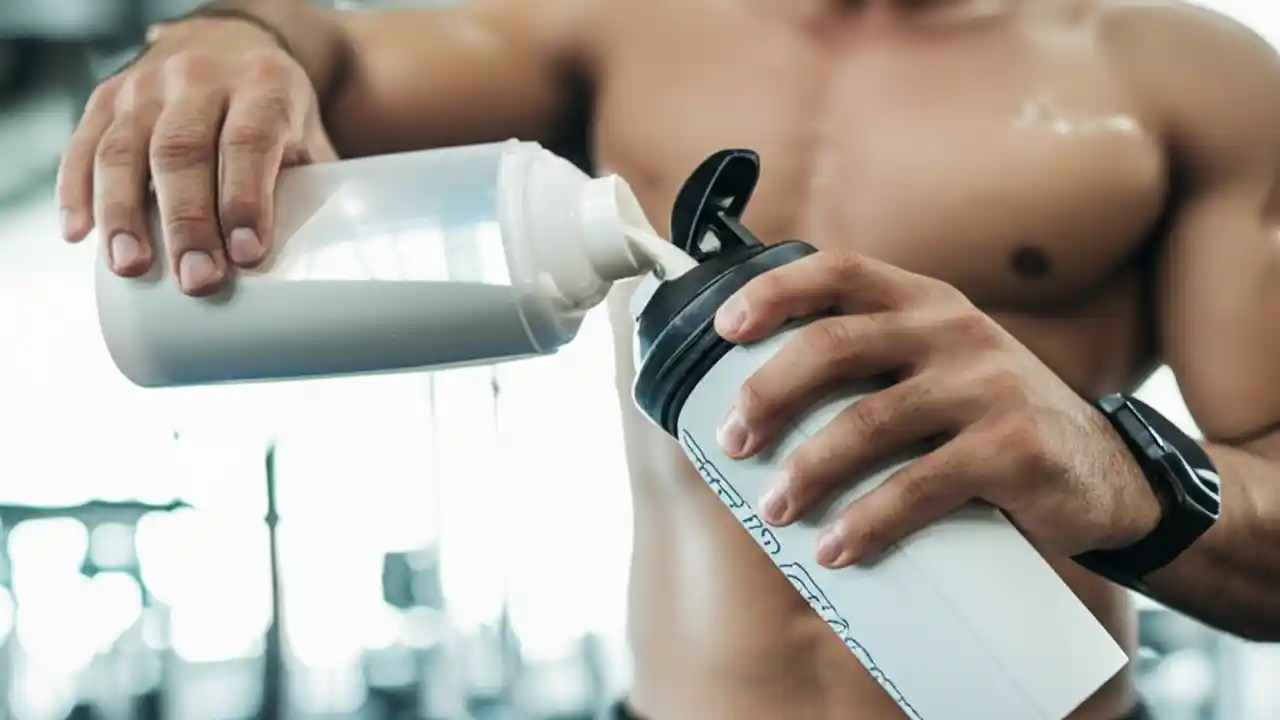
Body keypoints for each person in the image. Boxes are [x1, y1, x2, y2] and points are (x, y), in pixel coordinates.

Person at [57, 1, 1280, 718]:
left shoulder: (1182, 78)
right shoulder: (622, 29)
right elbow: (336, 52)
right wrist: (232, 37)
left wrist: (1118, 472)